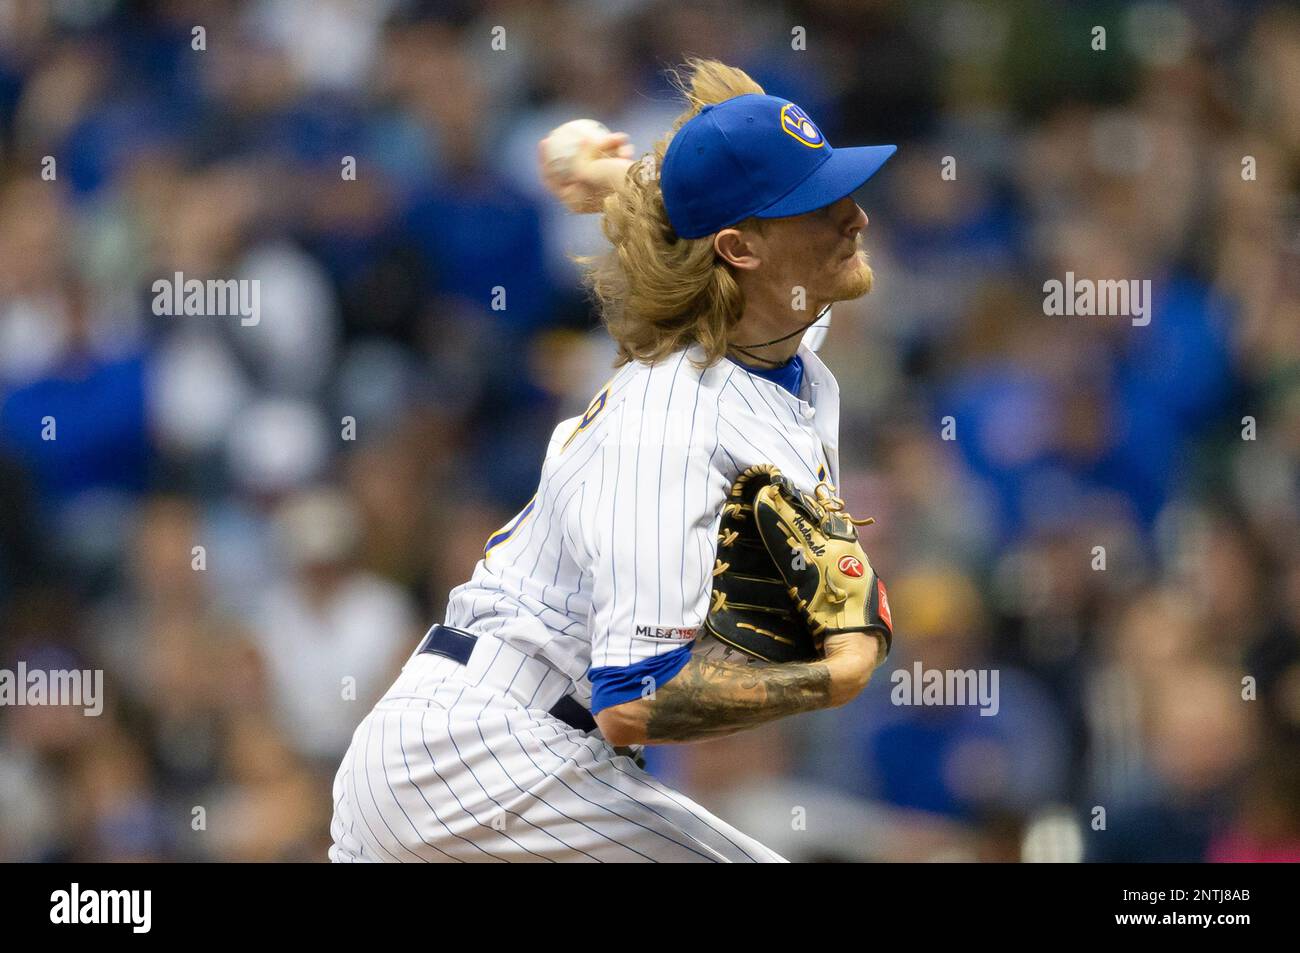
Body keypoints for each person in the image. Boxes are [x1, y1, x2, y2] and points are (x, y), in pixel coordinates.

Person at [328, 58, 896, 863]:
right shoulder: (671, 421)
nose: (856, 216)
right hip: (485, 758)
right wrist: (836, 675)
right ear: (741, 249)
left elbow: (721, 242)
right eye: (819, 205)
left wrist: (621, 187)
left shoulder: (774, 325)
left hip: (477, 760)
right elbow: (636, 699)